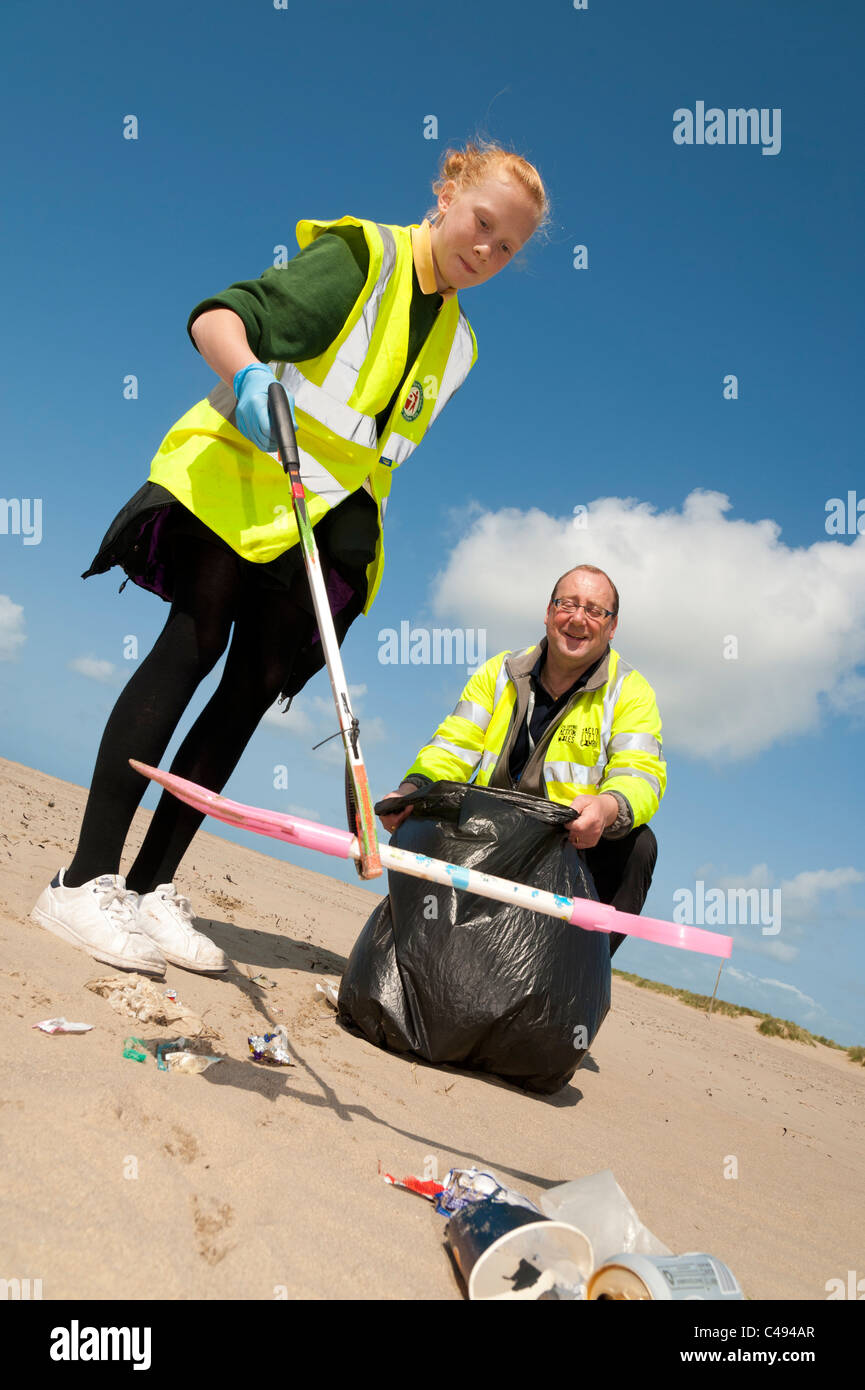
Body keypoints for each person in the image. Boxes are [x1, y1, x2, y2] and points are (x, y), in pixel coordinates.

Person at [31, 140, 549, 977]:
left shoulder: (460, 348)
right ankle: (82, 880)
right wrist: (243, 380)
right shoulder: (361, 258)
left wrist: (356, 549)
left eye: (506, 247)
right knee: (191, 648)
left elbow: (372, 450)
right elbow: (219, 318)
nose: (485, 250)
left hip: (312, 518)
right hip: (236, 475)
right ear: (447, 194)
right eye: (481, 223)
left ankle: (152, 886)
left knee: (247, 694)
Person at [378, 564, 665, 955]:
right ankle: (419, 948)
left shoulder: (631, 691)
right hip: (489, 832)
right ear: (549, 613)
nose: (578, 618)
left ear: (612, 627)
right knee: (426, 802)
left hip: (568, 847)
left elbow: (640, 773)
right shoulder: (499, 672)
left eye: (595, 610)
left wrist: (605, 806)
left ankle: (577, 977)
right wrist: (411, 789)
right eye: (567, 604)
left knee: (639, 846)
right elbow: (453, 745)